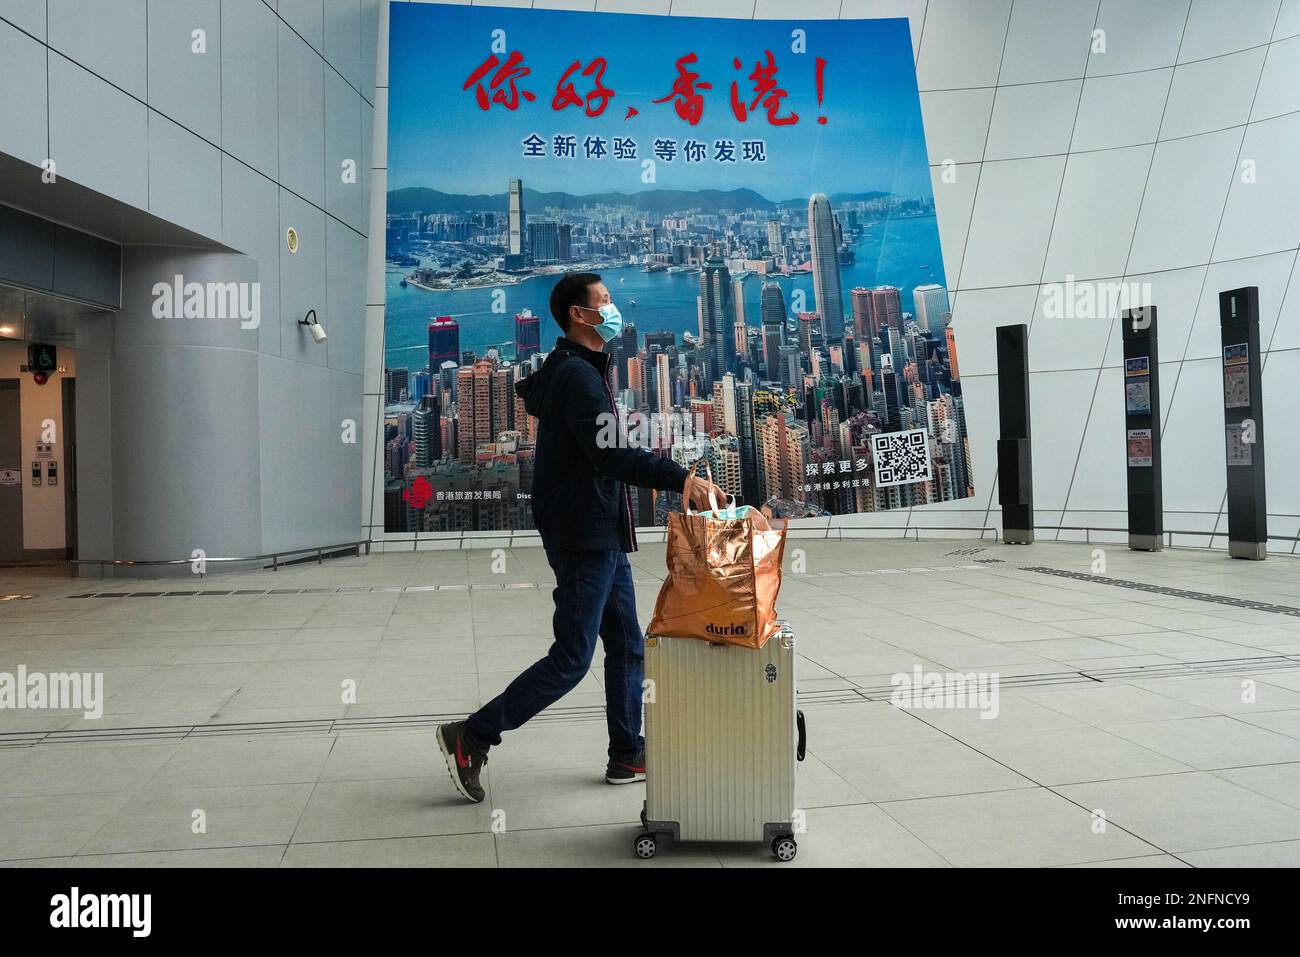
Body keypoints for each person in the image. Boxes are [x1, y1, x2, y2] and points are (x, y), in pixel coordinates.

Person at [437, 273, 728, 803]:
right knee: (572, 658)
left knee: (626, 643)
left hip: (602, 531)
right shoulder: (576, 376)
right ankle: (473, 735)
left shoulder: (584, 370)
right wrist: (679, 477)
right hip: (583, 534)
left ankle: (626, 751)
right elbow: (610, 453)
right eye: (605, 302)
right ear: (579, 314)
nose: (614, 310)